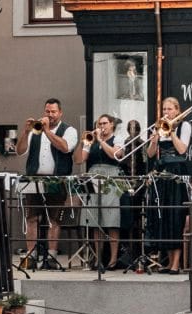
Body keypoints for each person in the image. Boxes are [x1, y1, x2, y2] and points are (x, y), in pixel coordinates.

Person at [21, 98, 78, 270]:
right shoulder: (34, 130)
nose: (50, 115)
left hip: (56, 179)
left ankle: (51, 256)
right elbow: (19, 151)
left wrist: (47, 132)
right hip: (35, 179)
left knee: (54, 218)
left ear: (60, 113)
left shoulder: (69, 130)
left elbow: (65, 147)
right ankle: (31, 255)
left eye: (53, 112)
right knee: (32, 217)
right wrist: (25, 132)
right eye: (47, 111)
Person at [142, 98, 192, 272]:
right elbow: (150, 154)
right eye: (164, 109)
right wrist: (155, 139)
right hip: (161, 172)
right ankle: (168, 261)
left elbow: (182, 150)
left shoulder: (184, 126)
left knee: (175, 216)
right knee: (163, 216)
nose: (166, 112)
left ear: (177, 110)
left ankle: (176, 263)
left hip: (176, 171)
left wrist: (171, 131)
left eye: (170, 109)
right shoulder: (159, 126)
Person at [77, 113, 127, 270]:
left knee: (112, 220)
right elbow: (79, 159)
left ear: (112, 125)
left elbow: (117, 155)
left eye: (105, 123)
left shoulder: (117, 139)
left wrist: (101, 141)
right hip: (93, 176)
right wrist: (82, 143)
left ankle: (112, 259)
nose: (101, 127)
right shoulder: (91, 140)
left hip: (111, 177)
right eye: (99, 124)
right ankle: (98, 259)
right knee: (95, 220)